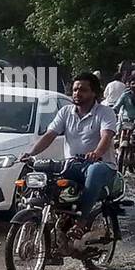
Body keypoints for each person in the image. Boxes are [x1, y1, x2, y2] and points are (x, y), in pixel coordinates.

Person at [21, 72, 119, 231]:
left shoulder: (105, 112)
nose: (77, 93)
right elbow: (49, 135)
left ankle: (81, 221)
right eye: (74, 90)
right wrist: (31, 153)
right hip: (72, 164)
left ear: (94, 93)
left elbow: (106, 136)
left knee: (94, 171)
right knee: (46, 175)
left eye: (82, 90)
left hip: (101, 165)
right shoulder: (66, 112)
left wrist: (96, 153)